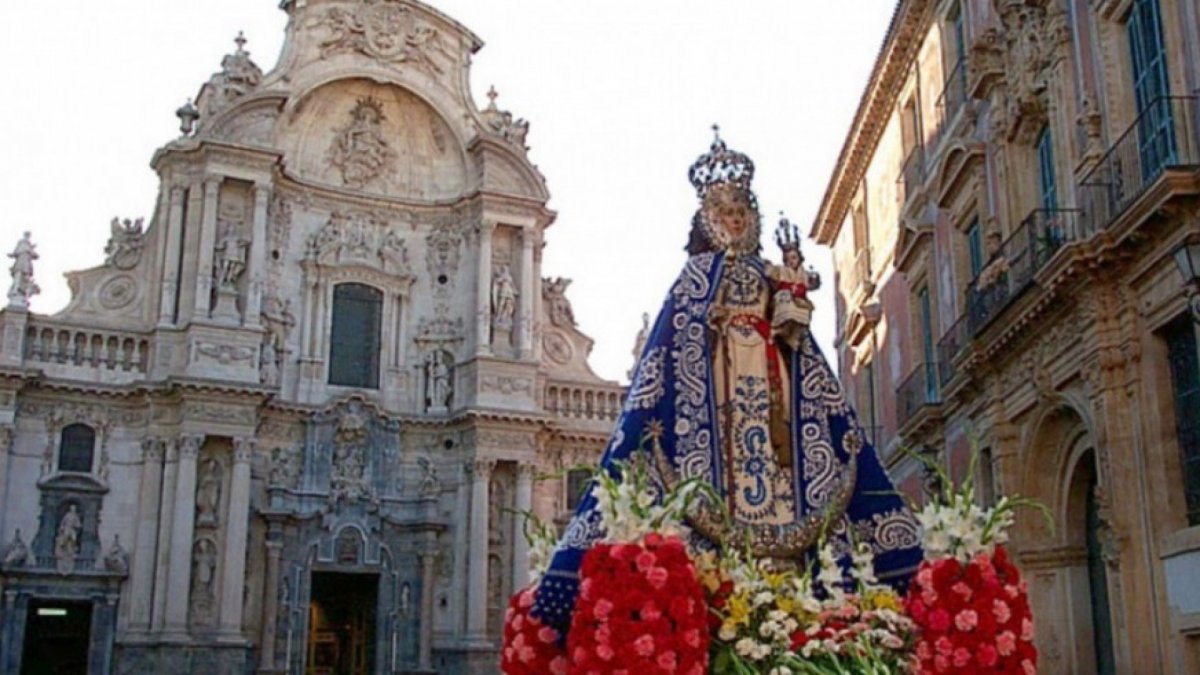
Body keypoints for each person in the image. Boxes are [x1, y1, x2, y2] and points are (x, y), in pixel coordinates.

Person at [532, 130, 922, 633]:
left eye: (741, 213)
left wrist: (790, 305)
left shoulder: (769, 272)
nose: (734, 222)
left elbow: (796, 335)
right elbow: (671, 352)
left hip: (772, 382)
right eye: (724, 214)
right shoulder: (693, 279)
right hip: (717, 395)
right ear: (707, 220)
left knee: (777, 458)